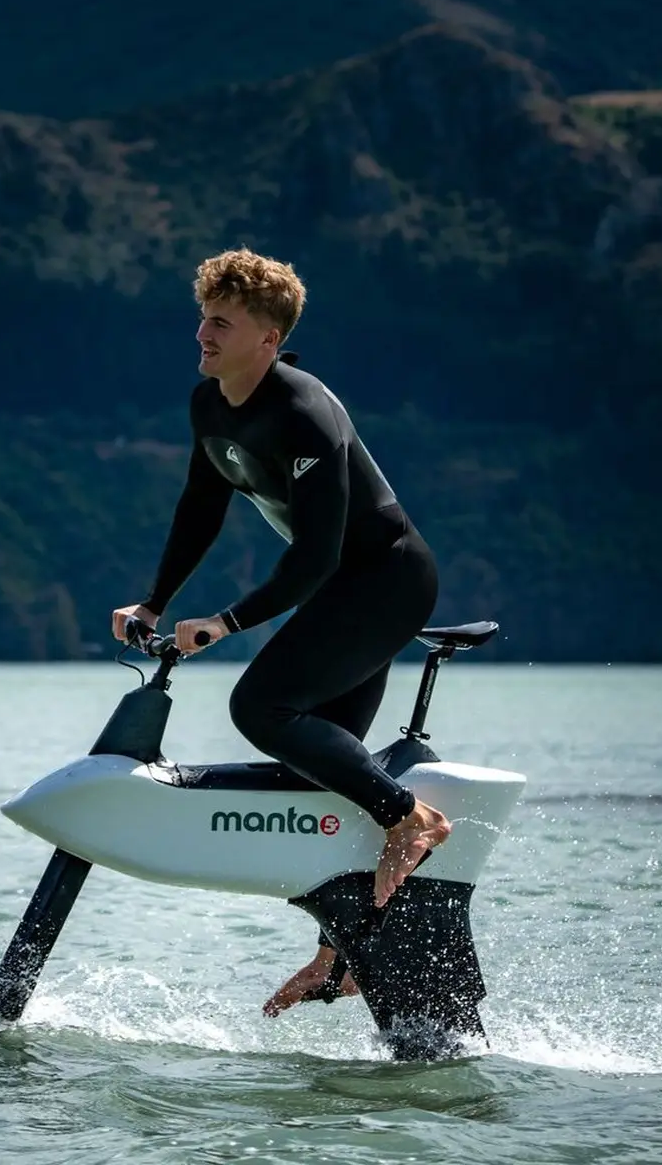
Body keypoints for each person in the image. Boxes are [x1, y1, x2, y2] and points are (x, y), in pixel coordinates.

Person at [111, 248, 450, 1017]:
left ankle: (413, 818)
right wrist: (156, 604)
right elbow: (200, 509)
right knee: (323, 772)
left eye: (222, 324)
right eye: (204, 317)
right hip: (343, 590)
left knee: (260, 707)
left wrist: (226, 622)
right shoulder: (210, 404)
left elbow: (318, 556)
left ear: (269, 339)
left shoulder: (303, 414)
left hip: (386, 581)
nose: (204, 334)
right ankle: (346, 951)